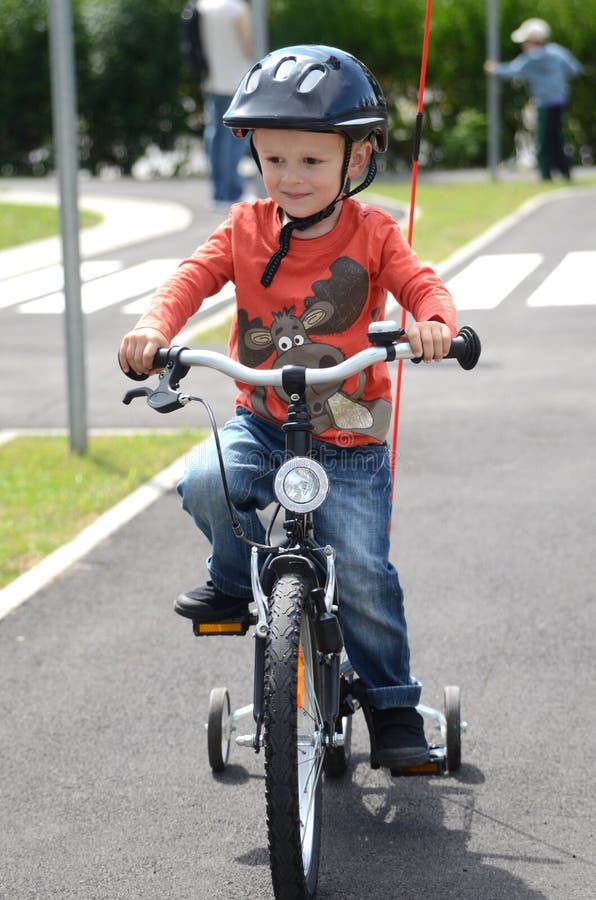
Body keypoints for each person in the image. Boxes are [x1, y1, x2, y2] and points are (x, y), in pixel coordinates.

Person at [119, 46, 458, 770]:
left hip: (351, 436)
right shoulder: (244, 227)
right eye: (275, 160)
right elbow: (191, 277)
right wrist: (155, 329)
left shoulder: (373, 233)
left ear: (356, 157)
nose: (290, 178)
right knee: (206, 481)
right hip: (264, 421)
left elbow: (421, 284)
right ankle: (236, 579)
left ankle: (395, 708)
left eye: (309, 161)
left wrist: (432, 322)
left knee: (364, 572)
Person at [484, 18, 582, 181]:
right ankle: (565, 172)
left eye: (525, 42)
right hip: (560, 101)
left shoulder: (532, 58)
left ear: (534, 40)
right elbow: (575, 69)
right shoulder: (558, 52)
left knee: (544, 140)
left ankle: (546, 175)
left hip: (545, 103)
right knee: (556, 137)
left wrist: (493, 69)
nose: (523, 46)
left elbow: (511, 71)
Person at [196, 0, 253, 207]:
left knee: (215, 136)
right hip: (235, 81)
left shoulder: (203, 6)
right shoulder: (237, 9)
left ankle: (219, 191)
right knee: (234, 137)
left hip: (212, 80)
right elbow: (249, 47)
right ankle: (232, 192)